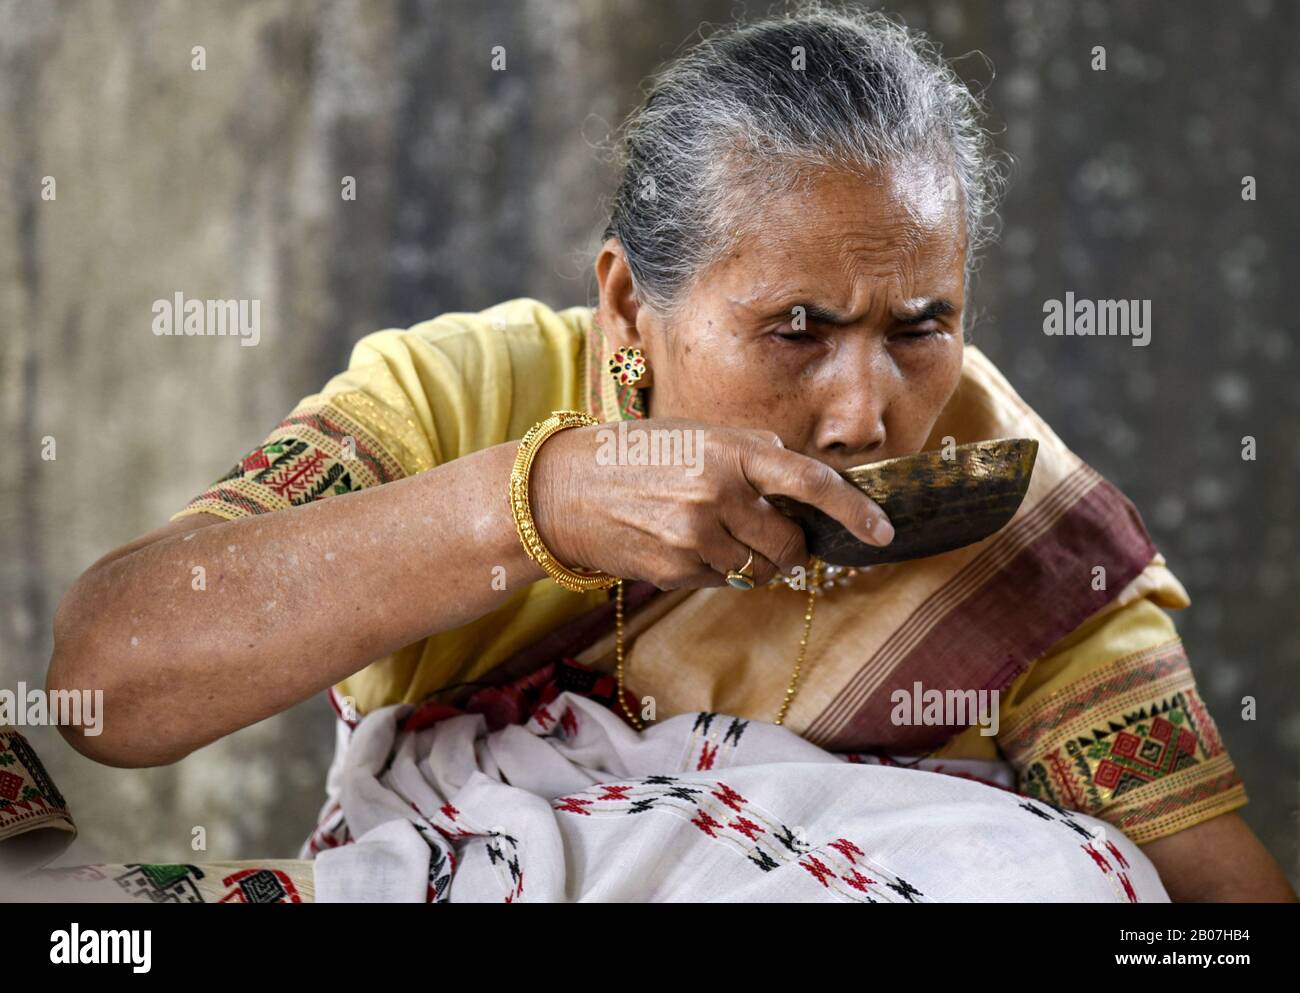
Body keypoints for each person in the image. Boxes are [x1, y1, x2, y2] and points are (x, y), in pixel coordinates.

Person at [44, 4, 1295, 901]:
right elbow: (106, 687)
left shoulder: (1009, 516)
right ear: (630, 309)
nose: (864, 412)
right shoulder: (461, 396)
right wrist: (527, 506)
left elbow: (1201, 893)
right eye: (795, 331)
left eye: (922, 327)